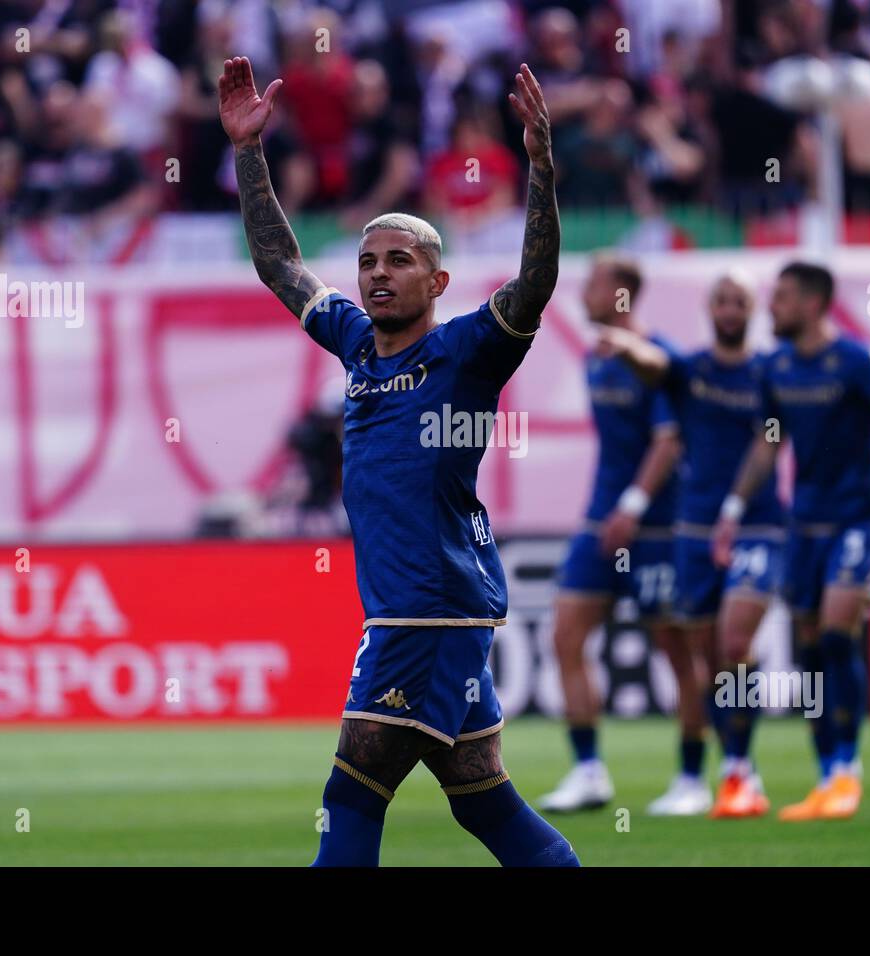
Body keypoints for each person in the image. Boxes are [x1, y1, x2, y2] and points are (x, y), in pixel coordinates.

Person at [218, 55, 579, 866]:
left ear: (439, 279)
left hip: (426, 606)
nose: (379, 274)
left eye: (400, 261)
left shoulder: (468, 352)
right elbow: (280, 265)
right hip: (427, 605)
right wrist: (248, 151)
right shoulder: (356, 348)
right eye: (369, 263)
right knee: (484, 800)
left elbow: (536, 281)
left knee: (351, 792)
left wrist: (542, 172)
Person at [712, 262, 870, 820]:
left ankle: (849, 769)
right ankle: (826, 777)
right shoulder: (774, 368)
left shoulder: (859, 363)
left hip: (858, 520)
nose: (770, 307)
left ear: (815, 304)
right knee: (810, 651)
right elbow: (768, 445)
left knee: (837, 631)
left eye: (783, 298)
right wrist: (732, 509)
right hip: (806, 524)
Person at [596, 272, 783, 818]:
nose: (729, 310)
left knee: (732, 643)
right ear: (709, 306)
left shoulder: (768, 372)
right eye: (721, 300)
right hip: (693, 529)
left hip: (759, 525)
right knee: (706, 659)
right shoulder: (690, 369)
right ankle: (734, 771)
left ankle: (740, 768)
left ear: (754, 308)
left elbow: (771, 438)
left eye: (739, 302)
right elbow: (654, 366)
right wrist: (628, 345)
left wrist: (737, 505)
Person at [538, 251, 686, 815]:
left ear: (622, 291)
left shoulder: (660, 358)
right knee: (566, 635)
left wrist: (634, 504)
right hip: (600, 519)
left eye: (594, 284)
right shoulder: (594, 359)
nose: (584, 293)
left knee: (675, 647)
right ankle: (588, 771)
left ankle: (694, 775)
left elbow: (668, 440)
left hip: (657, 524)